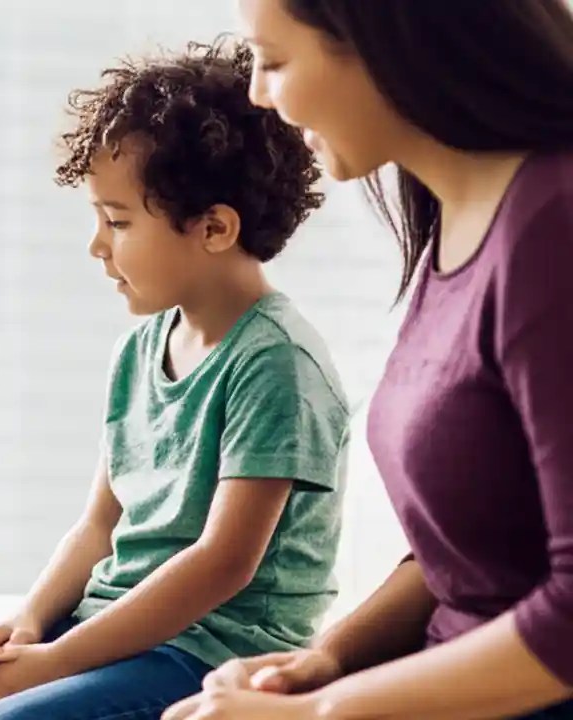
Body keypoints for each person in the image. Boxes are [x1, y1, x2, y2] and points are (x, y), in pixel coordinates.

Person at [0, 39, 349, 720]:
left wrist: (56, 663)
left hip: (208, 655)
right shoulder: (139, 350)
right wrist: (27, 628)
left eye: (117, 221)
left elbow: (222, 563)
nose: (96, 246)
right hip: (108, 632)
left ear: (214, 228)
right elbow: (98, 525)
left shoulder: (277, 363)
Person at [164, 2, 573, 719]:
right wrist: (327, 661)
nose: (259, 92)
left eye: (275, 59)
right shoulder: (459, 222)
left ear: (384, 42)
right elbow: (470, 561)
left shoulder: (554, 228)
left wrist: (320, 713)